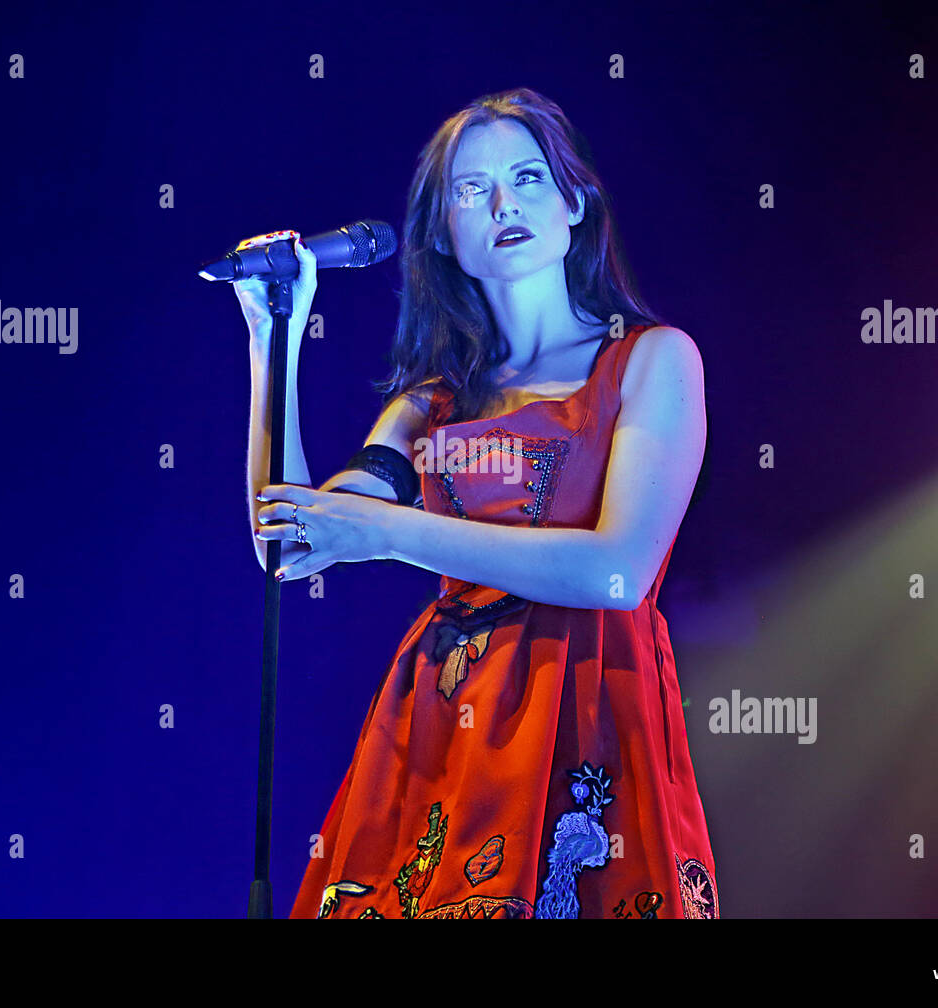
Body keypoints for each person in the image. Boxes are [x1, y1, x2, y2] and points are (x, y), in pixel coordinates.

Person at [237, 87, 717, 919]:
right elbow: (291, 544)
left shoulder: (650, 362)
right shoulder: (432, 403)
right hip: (441, 719)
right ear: (445, 236)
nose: (503, 204)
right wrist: (270, 342)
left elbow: (617, 573)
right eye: (471, 189)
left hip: (586, 709)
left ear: (575, 205)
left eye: (529, 178)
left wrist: (390, 531)